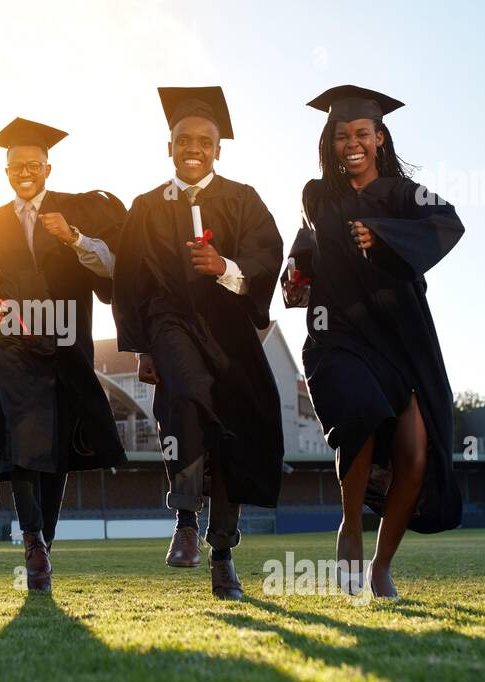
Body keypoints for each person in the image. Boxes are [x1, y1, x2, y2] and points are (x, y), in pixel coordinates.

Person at [282, 85, 464, 599]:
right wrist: (296, 276)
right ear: (332, 143)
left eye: (362, 133)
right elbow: (305, 251)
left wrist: (384, 237)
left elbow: (449, 223)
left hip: (401, 338)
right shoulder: (318, 196)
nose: (352, 143)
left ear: (380, 138)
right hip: (337, 333)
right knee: (359, 412)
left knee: (415, 451)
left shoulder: (408, 196)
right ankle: (349, 527)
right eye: (342, 136)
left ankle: (382, 565)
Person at [113, 86, 284, 600]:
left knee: (230, 432)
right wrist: (141, 347)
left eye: (204, 141)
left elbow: (266, 254)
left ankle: (223, 553)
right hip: (171, 322)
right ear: (169, 148)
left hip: (229, 327)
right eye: (183, 139)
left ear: (218, 150)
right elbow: (130, 283)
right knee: (185, 395)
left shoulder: (242, 198)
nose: (194, 148)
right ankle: (185, 518)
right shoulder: (146, 207)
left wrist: (225, 267)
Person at [0, 117, 126, 592]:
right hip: (12, 345)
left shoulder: (77, 211)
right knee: (22, 441)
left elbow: (113, 270)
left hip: (68, 341)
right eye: (16, 166)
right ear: (6, 171)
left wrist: (74, 239)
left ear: (48, 168)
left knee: (55, 449)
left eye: (33, 165)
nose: (24, 172)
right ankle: (32, 538)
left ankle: (43, 544)